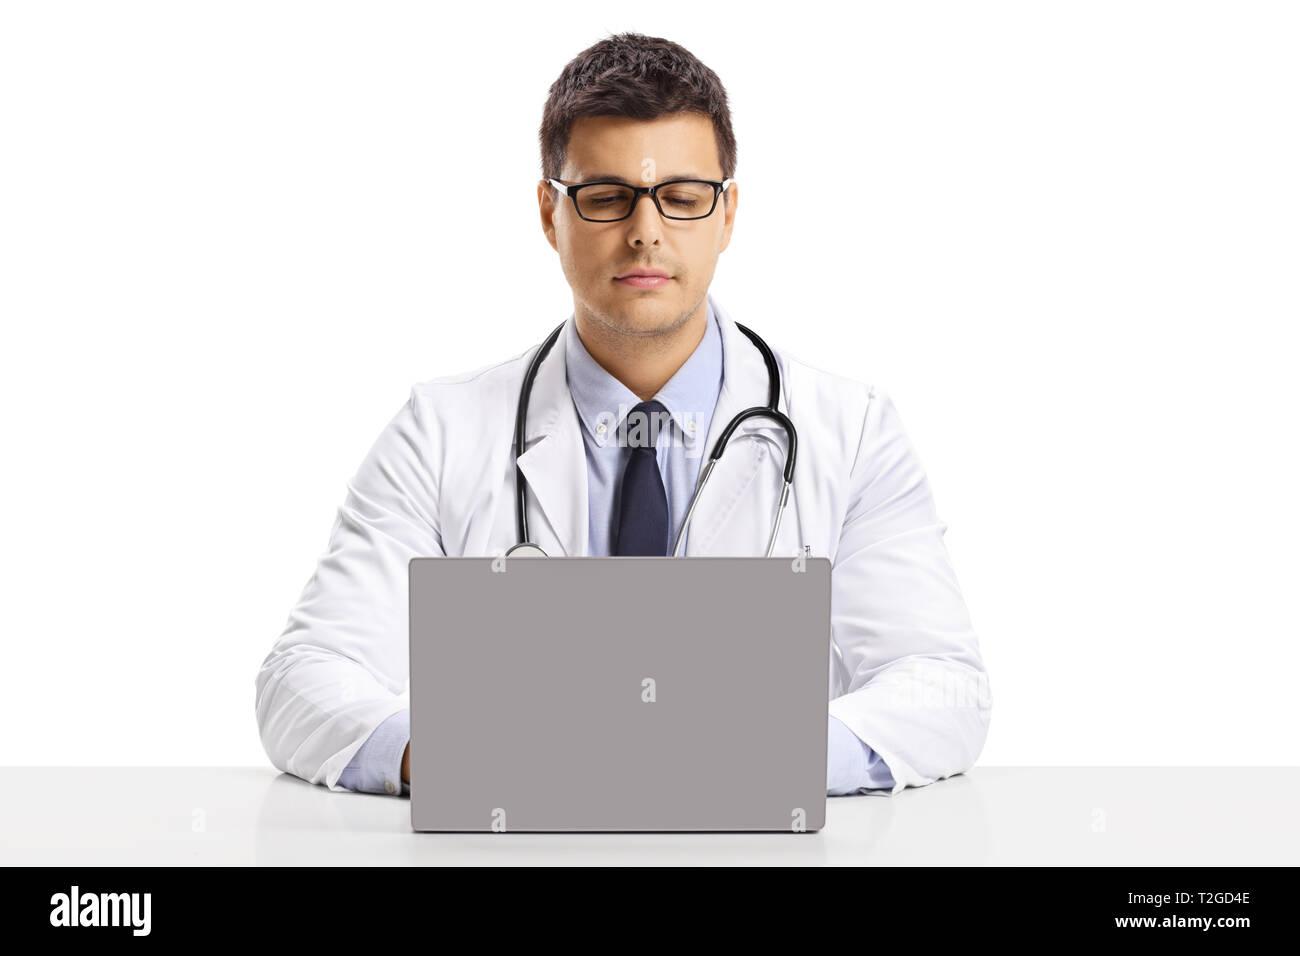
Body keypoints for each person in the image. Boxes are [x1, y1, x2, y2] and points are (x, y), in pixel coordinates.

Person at [255, 32, 991, 799]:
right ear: (550, 213)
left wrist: (766, 756)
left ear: (728, 213)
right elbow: (303, 676)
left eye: (681, 197)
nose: (647, 231)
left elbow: (939, 681)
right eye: (607, 197)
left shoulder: (851, 431)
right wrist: (461, 754)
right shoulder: (439, 433)